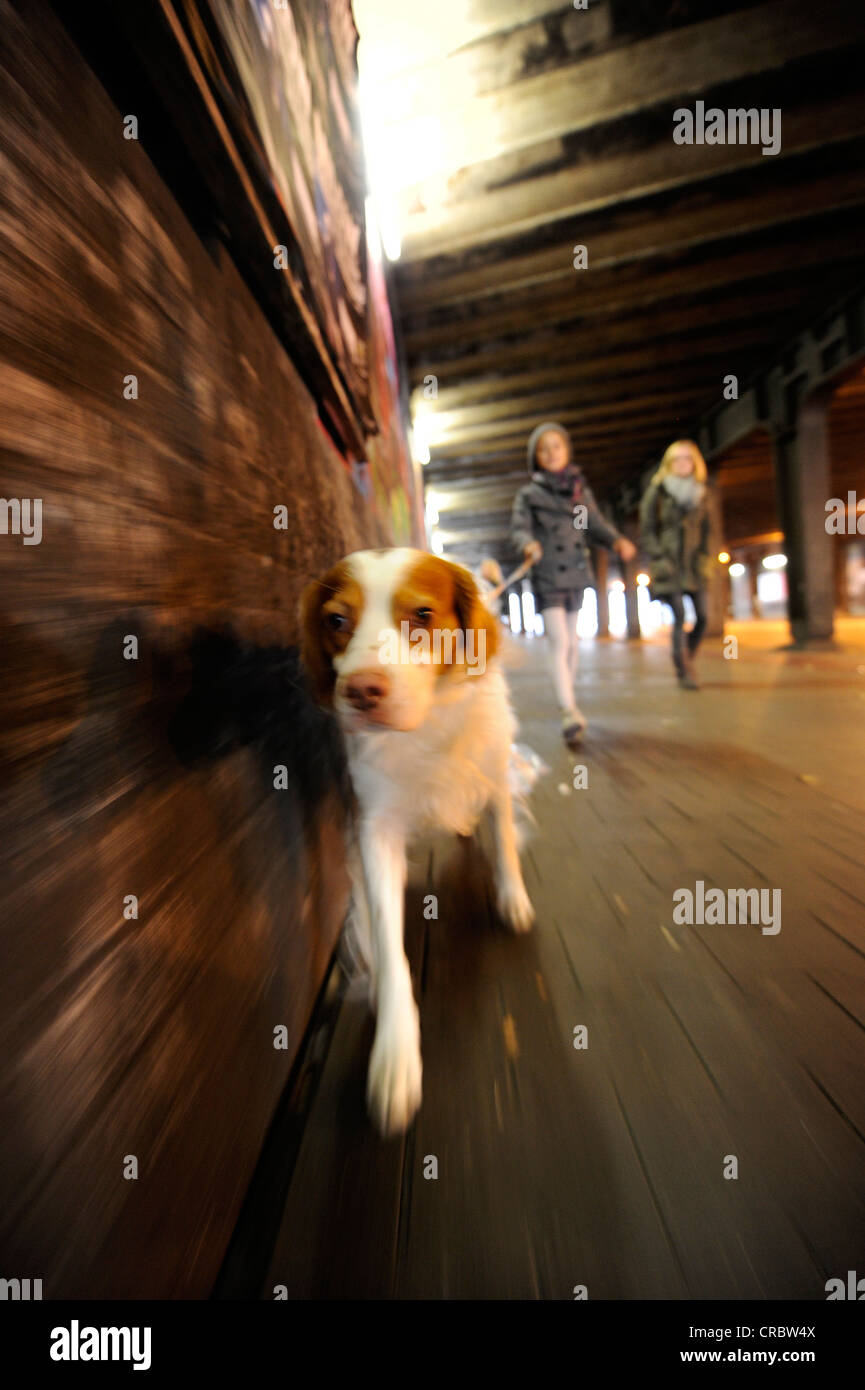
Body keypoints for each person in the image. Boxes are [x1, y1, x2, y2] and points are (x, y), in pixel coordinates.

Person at [510, 422, 636, 747]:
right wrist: (528, 545)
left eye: (557, 446)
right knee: (560, 641)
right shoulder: (529, 495)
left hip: (577, 573)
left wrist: (617, 540)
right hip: (548, 573)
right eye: (544, 448)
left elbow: (593, 525)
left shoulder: (579, 493)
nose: (551, 452)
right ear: (536, 457)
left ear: (567, 451)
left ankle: (569, 699)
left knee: (574, 643)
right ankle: (569, 711)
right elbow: (519, 528)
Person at [639, 439, 711, 691]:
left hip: (693, 565)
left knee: (703, 617)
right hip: (668, 565)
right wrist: (659, 555)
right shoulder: (657, 493)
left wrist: (706, 557)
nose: (683, 463)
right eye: (677, 459)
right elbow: (647, 530)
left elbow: (707, 530)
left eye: (687, 458)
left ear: (695, 463)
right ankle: (685, 671)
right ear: (669, 464)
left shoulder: (701, 493)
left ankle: (685, 659)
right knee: (679, 615)